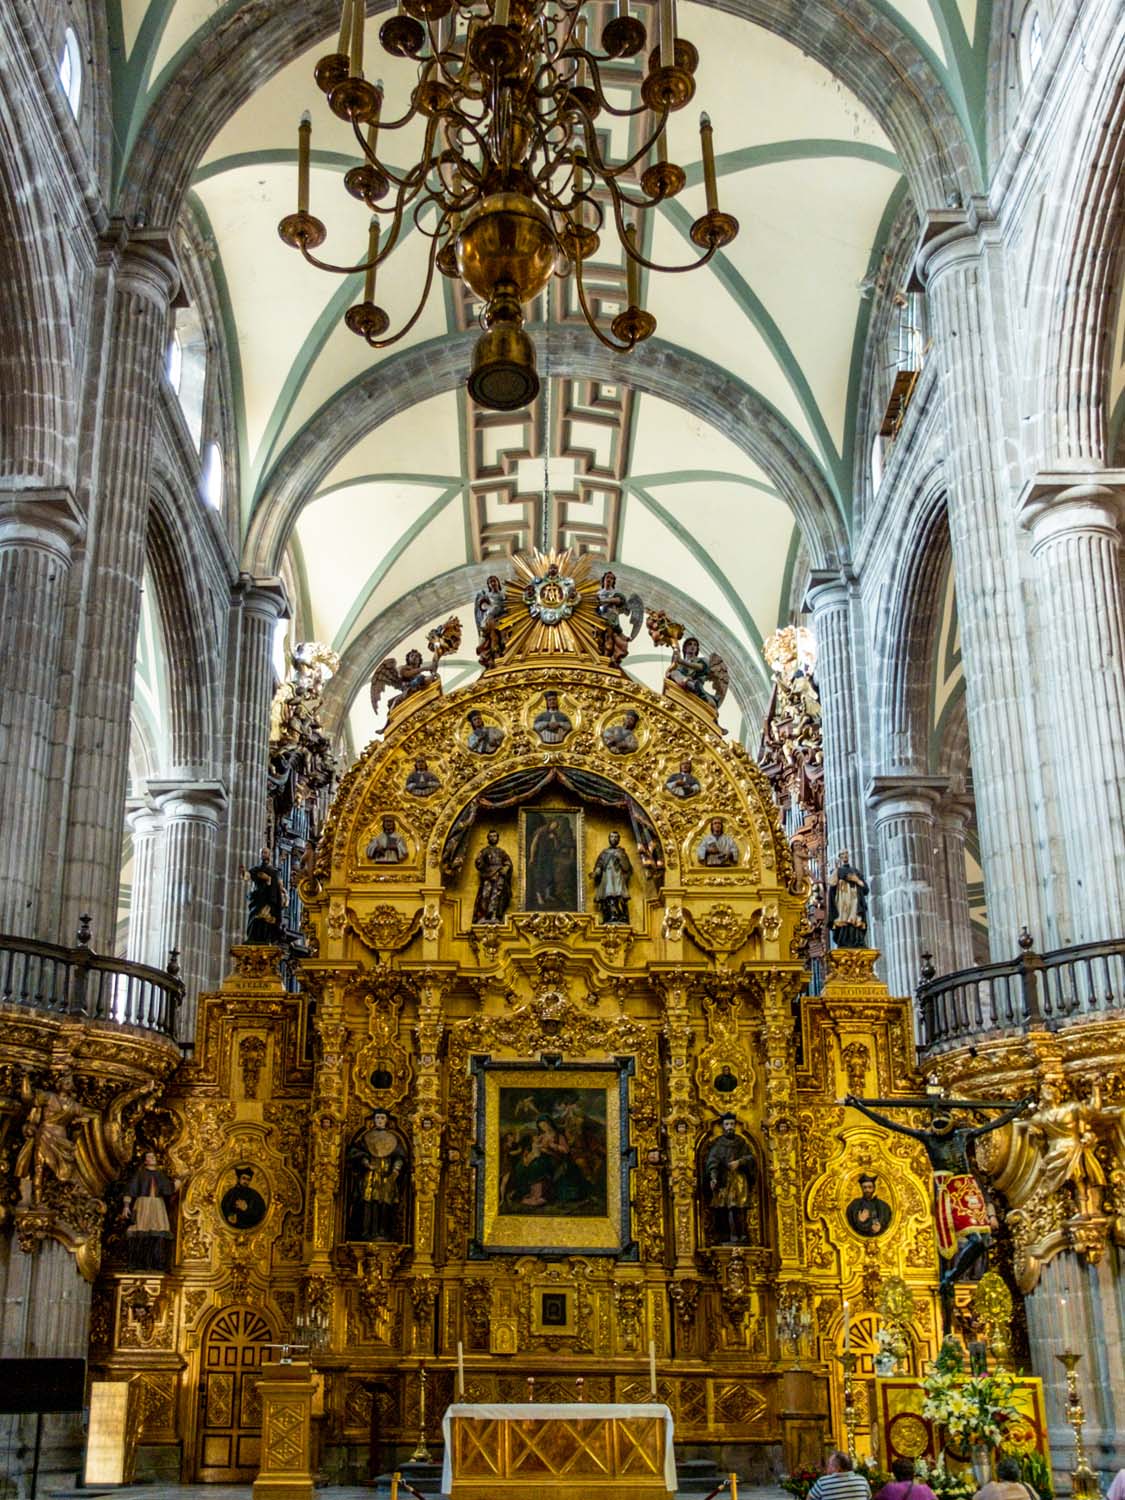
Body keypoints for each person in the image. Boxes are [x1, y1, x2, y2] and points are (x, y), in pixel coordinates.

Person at [844, 1092, 1030, 1334]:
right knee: (970, 1241)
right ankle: (951, 1275)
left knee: (982, 1242)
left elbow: (994, 1124)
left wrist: (1018, 1108)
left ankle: (953, 1274)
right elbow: (890, 1124)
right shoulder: (928, 1138)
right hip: (947, 1190)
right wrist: (860, 1106)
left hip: (966, 1188)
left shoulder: (963, 1135)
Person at [348, 1111, 409, 1240]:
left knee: (385, 1203)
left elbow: (400, 1156)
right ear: (373, 1120)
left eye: (382, 1117)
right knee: (369, 1202)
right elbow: (355, 1152)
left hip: (387, 1175)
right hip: (370, 1173)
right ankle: (366, 1232)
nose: (380, 1120)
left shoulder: (393, 1138)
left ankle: (383, 1232)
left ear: (387, 1120)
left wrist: (396, 1169)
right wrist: (365, 1162)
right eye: (377, 1117)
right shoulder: (366, 1137)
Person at [122, 1150, 181, 1271]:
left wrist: (178, 1182)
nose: (153, 1158)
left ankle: (157, 1262)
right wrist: (126, 1206)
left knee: (158, 1232)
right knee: (141, 1231)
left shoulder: (160, 1174)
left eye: (154, 1156)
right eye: (150, 1156)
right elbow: (130, 1190)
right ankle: (138, 1262)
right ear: (145, 1160)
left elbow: (168, 1189)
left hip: (157, 1204)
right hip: (143, 1204)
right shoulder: (140, 1174)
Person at [703, 1114, 757, 1244]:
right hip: (724, 1180)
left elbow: (751, 1158)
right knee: (725, 1208)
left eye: (732, 1124)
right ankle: (726, 1235)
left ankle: (742, 1234)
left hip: (739, 1179)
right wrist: (713, 1177)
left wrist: (740, 1162)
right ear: (723, 1126)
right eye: (727, 1124)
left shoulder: (741, 1142)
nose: (730, 1127)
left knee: (739, 1208)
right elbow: (712, 1161)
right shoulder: (718, 1143)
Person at [528, 814, 577, 910]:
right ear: (551, 823)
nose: (555, 827)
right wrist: (532, 857)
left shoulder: (554, 834)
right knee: (539, 876)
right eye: (554, 824)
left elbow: (557, 847)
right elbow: (534, 844)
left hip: (549, 859)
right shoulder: (541, 831)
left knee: (549, 875)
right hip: (540, 858)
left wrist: (554, 839)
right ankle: (539, 897)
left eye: (557, 826)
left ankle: (547, 895)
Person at [828, 850, 870, 947]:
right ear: (840, 857)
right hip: (842, 902)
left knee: (855, 921)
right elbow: (832, 884)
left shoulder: (856, 872)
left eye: (846, 854)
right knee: (844, 921)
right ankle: (843, 941)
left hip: (855, 899)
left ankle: (857, 941)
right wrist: (836, 871)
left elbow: (866, 889)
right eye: (842, 854)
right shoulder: (838, 871)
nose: (845, 856)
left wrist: (857, 880)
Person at [592, 830, 632, 924]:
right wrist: (597, 871)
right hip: (607, 877)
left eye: (616, 837)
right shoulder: (604, 853)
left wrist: (620, 857)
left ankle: (619, 914)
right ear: (609, 839)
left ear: (619, 839)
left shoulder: (621, 852)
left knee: (618, 896)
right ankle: (611, 914)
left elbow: (627, 867)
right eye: (612, 837)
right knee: (609, 896)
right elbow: (600, 864)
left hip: (617, 877)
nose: (614, 839)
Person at [244, 847, 285, 942]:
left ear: (269, 855)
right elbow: (248, 876)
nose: (263, 854)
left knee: (264, 920)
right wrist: (244, 872)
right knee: (254, 918)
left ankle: (265, 939)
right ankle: (252, 938)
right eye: (262, 852)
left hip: (268, 900)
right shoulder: (257, 869)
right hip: (258, 899)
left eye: (265, 853)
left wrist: (268, 880)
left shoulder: (274, 871)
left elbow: (276, 888)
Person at [473, 829, 513, 924]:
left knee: (496, 896)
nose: (493, 838)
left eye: (495, 836)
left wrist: (506, 868)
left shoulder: (501, 852)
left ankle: (494, 916)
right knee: (485, 895)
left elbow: (508, 862)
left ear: (497, 838)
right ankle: (483, 915)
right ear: (488, 838)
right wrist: (479, 862)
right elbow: (479, 863)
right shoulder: (485, 851)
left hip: (499, 876)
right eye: (491, 836)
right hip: (488, 876)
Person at [971, 1455, 1040, 1500]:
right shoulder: (1027, 1486)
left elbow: (975, 1498)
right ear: (1018, 1473)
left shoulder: (992, 1488)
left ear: (999, 1474)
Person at [845, 1173, 893, 1237]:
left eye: (870, 1187)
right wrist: (859, 1220)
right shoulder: (855, 1204)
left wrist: (880, 1226)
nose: (867, 1190)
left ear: (874, 1188)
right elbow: (851, 1222)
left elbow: (887, 1221)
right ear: (861, 1189)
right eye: (865, 1187)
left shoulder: (883, 1205)